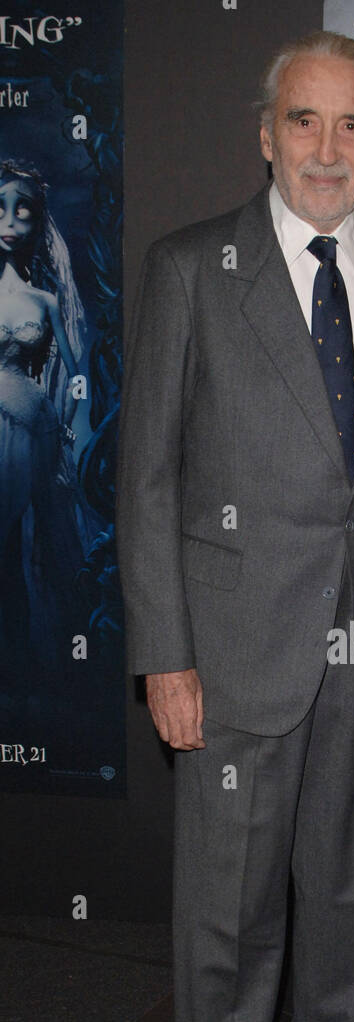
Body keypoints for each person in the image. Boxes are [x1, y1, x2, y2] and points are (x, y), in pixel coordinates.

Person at [115, 31, 354, 1022]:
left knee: (346, 899)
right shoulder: (194, 267)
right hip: (235, 656)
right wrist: (162, 654)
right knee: (225, 917)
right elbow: (145, 479)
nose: (328, 148)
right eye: (306, 119)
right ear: (264, 132)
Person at [0, 158, 85, 687]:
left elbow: (78, 376)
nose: (10, 222)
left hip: (33, 429)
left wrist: (71, 428)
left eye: (22, 211)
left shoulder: (46, 301)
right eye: (1, 210)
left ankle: (29, 666)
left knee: (26, 542)